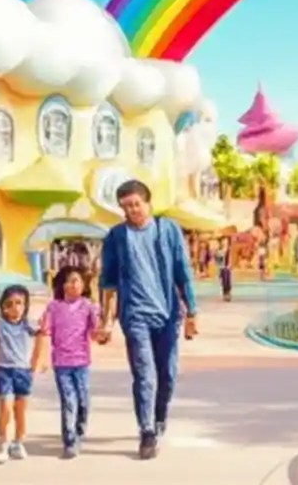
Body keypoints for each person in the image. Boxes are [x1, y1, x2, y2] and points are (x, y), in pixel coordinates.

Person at [97, 179, 198, 461]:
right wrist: (106, 320)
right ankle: (147, 432)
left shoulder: (168, 230)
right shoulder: (116, 237)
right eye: (126, 207)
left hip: (167, 316)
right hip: (135, 316)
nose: (132, 210)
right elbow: (108, 283)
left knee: (168, 374)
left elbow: (182, 271)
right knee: (145, 375)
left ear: (148, 202)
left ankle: (159, 415)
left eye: (136, 204)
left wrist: (192, 311)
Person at [34, 267, 104, 459]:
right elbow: (44, 331)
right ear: (63, 285)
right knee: (68, 401)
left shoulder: (87, 306)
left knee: (83, 400)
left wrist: (99, 320)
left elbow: (95, 333)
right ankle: (70, 440)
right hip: (61, 363)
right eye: (71, 281)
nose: (75, 285)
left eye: (78, 281)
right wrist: (40, 359)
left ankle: (80, 429)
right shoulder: (54, 307)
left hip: (81, 363)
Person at [0, 284, 40, 464]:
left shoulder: (27, 324)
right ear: (3, 306)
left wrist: (37, 363)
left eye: (19, 303)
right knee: (5, 406)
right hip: (4, 369)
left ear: (25, 305)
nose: (15, 308)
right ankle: (3, 442)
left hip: (23, 370)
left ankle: (18, 442)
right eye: (9, 304)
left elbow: (42, 333)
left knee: (20, 410)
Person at [217, 237, 234, 302]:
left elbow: (231, 258)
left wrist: (229, 265)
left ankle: (228, 294)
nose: (225, 242)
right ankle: (225, 294)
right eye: (223, 241)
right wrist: (220, 267)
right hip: (222, 268)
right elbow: (219, 261)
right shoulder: (219, 250)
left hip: (228, 268)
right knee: (223, 281)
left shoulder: (229, 249)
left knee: (228, 280)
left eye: (226, 241)